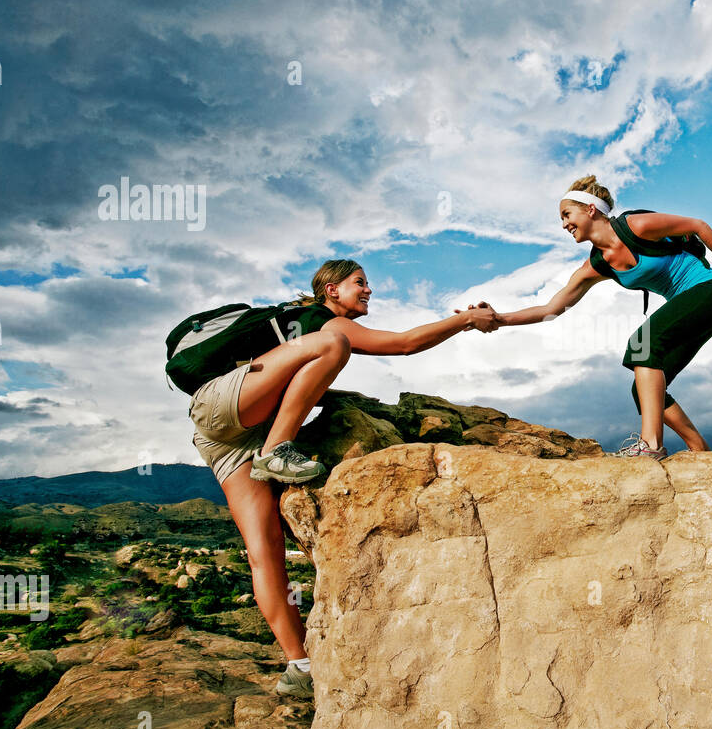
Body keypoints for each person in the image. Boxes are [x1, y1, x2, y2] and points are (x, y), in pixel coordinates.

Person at [187, 259, 498, 698]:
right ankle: (277, 450)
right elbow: (404, 344)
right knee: (334, 345)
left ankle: (298, 666)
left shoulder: (295, 325)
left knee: (264, 553)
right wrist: (466, 319)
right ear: (331, 291)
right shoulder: (322, 321)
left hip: (224, 431)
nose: (368, 290)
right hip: (227, 406)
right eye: (359, 284)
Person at [464, 175, 712, 458]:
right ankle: (700, 450)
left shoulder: (634, 227)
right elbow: (550, 309)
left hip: (707, 291)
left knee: (643, 345)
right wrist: (498, 318)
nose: (564, 224)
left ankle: (650, 447)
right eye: (561, 219)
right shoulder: (596, 265)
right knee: (643, 389)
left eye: (567, 215)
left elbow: (698, 225)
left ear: (590, 210)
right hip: (692, 307)